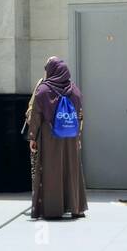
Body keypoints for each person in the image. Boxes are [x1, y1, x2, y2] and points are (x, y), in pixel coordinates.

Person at [27, 57, 89, 219]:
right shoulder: (74, 90)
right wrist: (79, 137)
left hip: (49, 138)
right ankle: (75, 207)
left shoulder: (43, 90)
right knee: (72, 170)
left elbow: (36, 115)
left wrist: (32, 137)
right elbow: (80, 116)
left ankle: (52, 209)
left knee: (51, 170)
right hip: (70, 137)